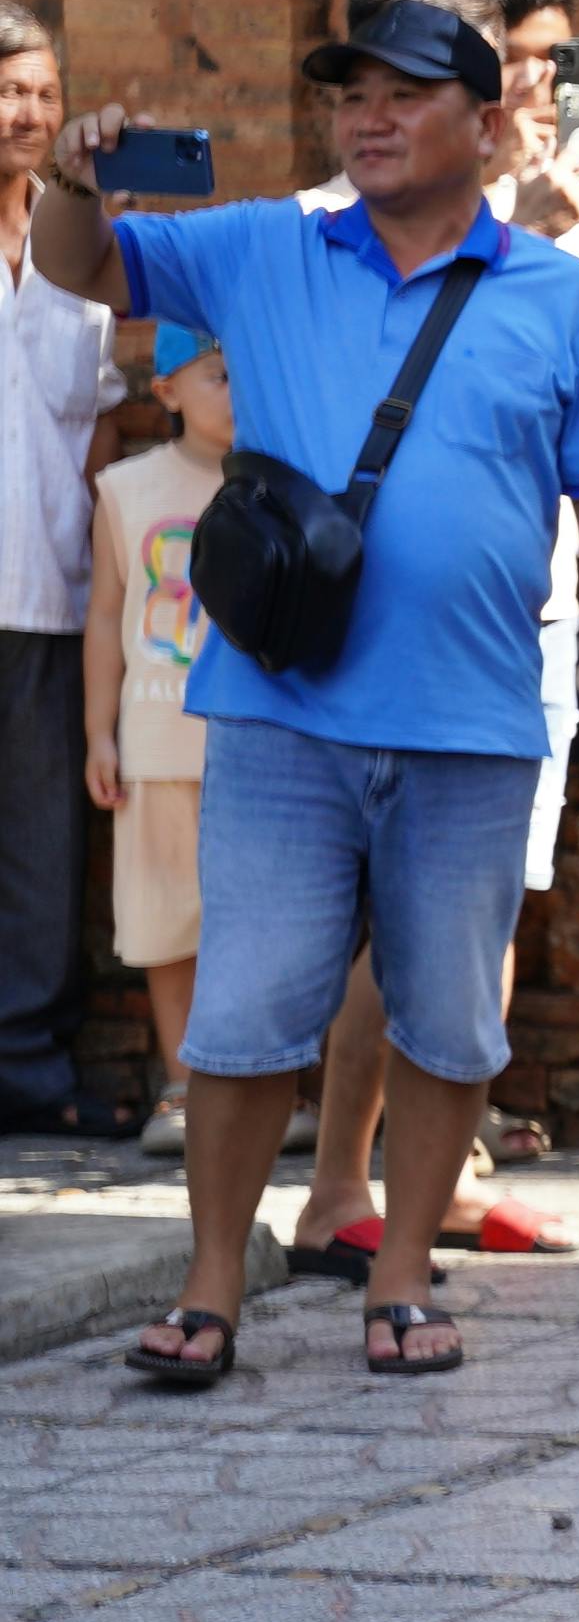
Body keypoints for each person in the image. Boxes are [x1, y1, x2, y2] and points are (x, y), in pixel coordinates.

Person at [38, 0, 579, 1387]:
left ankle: (398, 1274)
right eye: (352, 100)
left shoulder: (559, 298)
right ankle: (216, 1285)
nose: (370, 122)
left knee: (450, 1013)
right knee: (247, 1012)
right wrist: (78, 176)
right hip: (281, 712)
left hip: (471, 720)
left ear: (489, 120)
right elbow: (85, 266)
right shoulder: (267, 247)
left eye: (405, 97)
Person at [294, 0, 579, 1265]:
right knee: (401, 915)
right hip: (404, 611)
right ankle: (355, 1184)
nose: (532, 84)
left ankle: (425, 1168)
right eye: (510, 60)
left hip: (538, 591)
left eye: (547, 59)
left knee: (483, 904)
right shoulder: (395, 201)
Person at [0, 9, 137, 1139]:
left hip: (46, 587)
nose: (28, 114)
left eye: (42, 93)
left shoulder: (73, 249)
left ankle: (32, 1068)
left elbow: (97, 426)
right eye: (9, 92)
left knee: (44, 844)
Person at [85, 333, 226, 1135]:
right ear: (167, 390)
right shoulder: (126, 489)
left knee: (264, 926)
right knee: (168, 922)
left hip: (258, 751)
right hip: (156, 742)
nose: (240, 390)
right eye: (220, 375)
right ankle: (183, 1088)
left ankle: (271, 1089)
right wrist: (99, 734)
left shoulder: (282, 484)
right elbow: (106, 615)